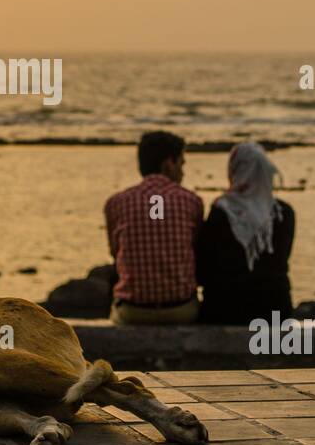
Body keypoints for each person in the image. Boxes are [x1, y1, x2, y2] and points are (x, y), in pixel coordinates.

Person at [103, 131, 203, 324]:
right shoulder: (192, 201)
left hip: (133, 311)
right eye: (181, 164)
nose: (183, 171)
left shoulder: (115, 203)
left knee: (115, 314)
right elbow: (194, 249)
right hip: (181, 309)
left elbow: (116, 254)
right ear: (168, 164)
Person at [195, 142, 296, 324]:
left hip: (224, 311)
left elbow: (203, 270)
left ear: (234, 171)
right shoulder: (284, 213)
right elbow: (279, 263)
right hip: (275, 312)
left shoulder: (222, 212)